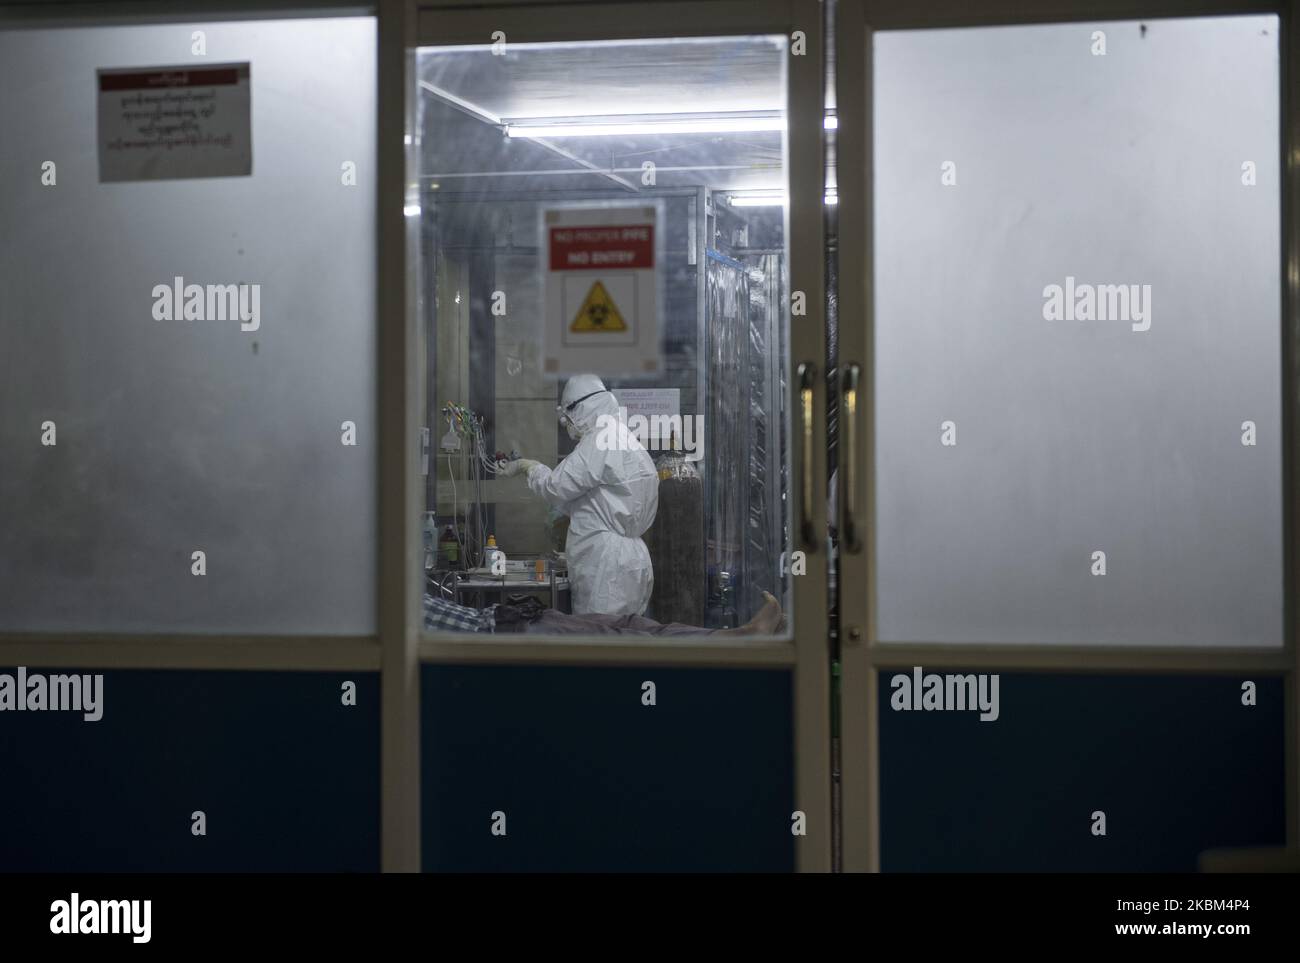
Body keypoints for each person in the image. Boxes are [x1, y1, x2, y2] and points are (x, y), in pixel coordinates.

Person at [496, 374, 659, 617]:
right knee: (627, 638)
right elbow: (601, 498)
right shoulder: (624, 438)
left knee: (598, 640)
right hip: (633, 560)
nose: (566, 424)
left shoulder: (598, 442)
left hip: (607, 566)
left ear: (582, 408)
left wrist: (527, 466)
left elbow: (555, 486)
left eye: (568, 417)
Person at [423, 591, 784, 637]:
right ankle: (733, 640)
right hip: (501, 636)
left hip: (509, 619)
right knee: (619, 636)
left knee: (630, 623)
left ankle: (734, 636)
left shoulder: (603, 445)